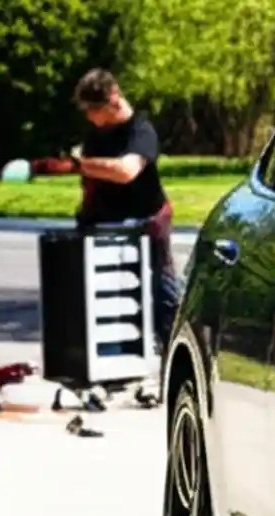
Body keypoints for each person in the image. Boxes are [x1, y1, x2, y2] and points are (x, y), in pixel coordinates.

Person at [71, 68, 179, 362]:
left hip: (148, 219)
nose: (90, 116)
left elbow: (126, 171)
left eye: (93, 109)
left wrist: (79, 164)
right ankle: (115, 358)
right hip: (107, 222)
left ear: (113, 100)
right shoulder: (95, 134)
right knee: (109, 294)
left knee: (163, 292)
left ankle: (173, 355)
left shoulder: (141, 131)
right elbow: (91, 180)